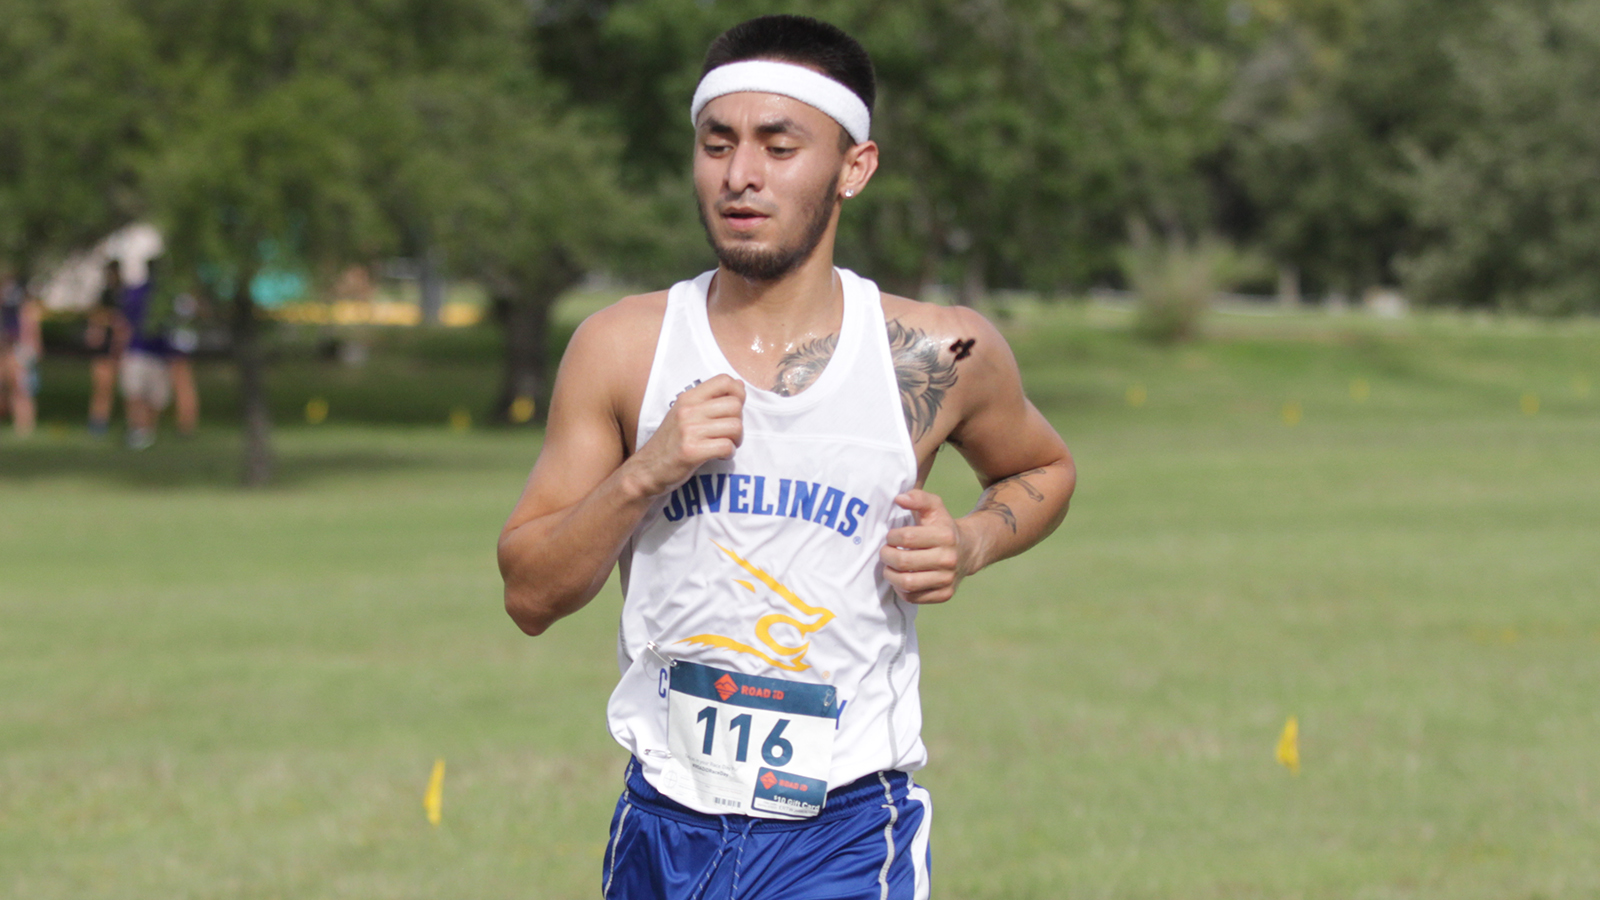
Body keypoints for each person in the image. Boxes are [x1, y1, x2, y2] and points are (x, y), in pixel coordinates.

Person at [497, 15, 1075, 899]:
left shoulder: (933, 354)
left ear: (854, 167)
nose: (741, 175)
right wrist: (646, 471)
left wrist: (968, 543)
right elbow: (530, 594)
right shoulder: (622, 348)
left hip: (842, 831)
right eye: (717, 143)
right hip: (663, 823)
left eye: (779, 145)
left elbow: (1042, 470)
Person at [86, 258, 129, 437]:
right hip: (105, 348)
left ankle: (133, 424)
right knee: (102, 387)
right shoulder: (104, 294)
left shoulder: (126, 294)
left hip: (121, 347)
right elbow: (97, 318)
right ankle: (98, 421)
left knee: (129, 389)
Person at [1, 269, 42, 439]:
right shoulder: (9, 309)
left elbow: (32, 332)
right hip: (14, 349)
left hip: (22, 351)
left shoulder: (26, 308)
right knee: (14, 388)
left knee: (23, 389)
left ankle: (25, 425)